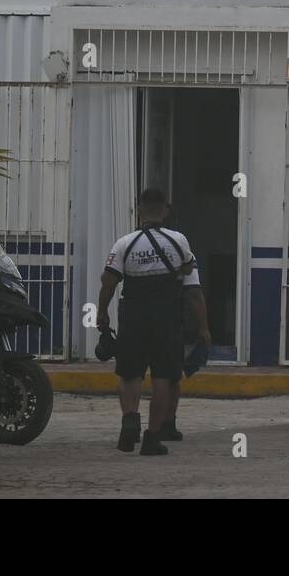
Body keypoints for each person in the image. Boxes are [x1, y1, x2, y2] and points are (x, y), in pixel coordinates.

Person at [96, 188, 211, 455]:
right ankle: (152, 437)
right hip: (167, 317)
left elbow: (108, 283)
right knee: (164, 377)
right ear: (165, 210)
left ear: (140, 209)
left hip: (133, 315)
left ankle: (129, 419)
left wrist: (102, 313)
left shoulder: (124, 243)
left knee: (130, 372)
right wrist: (204, 328)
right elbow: (193, 292)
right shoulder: (179, 242)